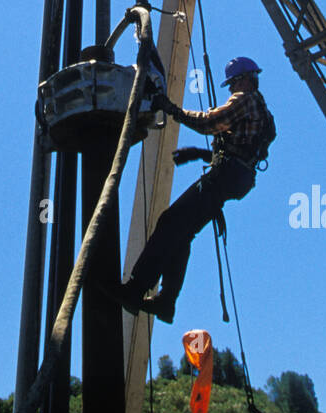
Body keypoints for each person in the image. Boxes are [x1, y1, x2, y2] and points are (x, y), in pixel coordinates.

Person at [114, 57, 273, 325]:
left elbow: (210, 123)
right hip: (234, 177)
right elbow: (241, 147)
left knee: (170, 222)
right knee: (182, 233)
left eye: (233, 84)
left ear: (244, 79)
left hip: (224, 178)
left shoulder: (245, 99)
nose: (232, 90)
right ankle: (166, 302)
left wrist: (171, 109)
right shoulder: (263, 111)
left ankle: (136, 288)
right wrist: (198, 153)